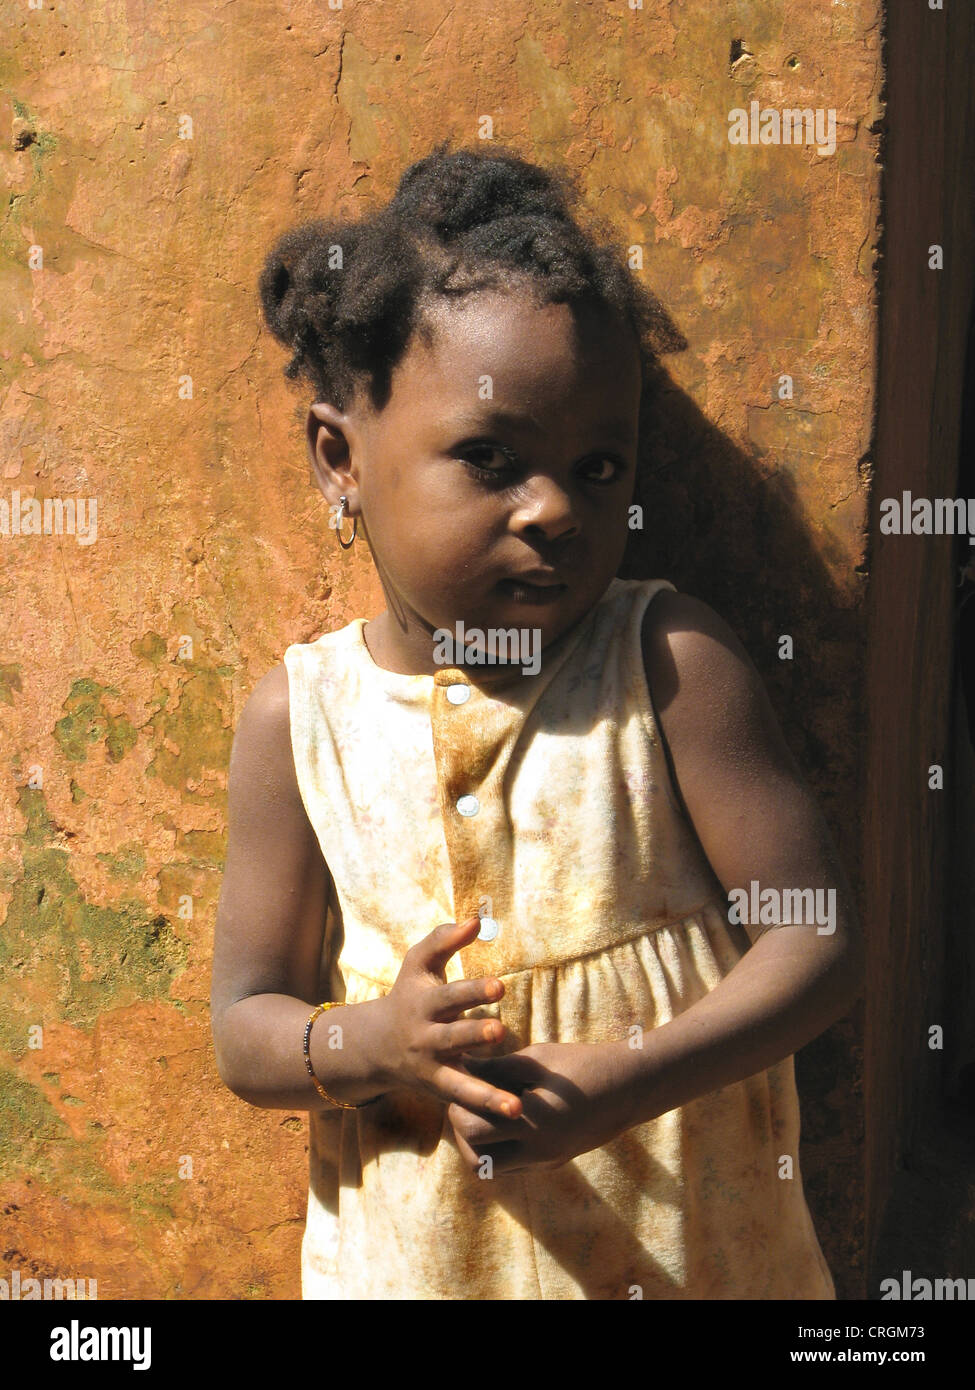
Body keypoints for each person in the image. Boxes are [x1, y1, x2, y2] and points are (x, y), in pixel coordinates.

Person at [209, 141, 864, 1300]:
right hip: (424, 1263)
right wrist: (371, 1043)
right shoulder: (299, 724)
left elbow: (814, 943)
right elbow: (247, 1028)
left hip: (690, 1259)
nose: (556, 506)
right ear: (339, 459)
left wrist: (625, 1077)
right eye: (490, 458)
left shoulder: (670, 667)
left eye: (599, 465)